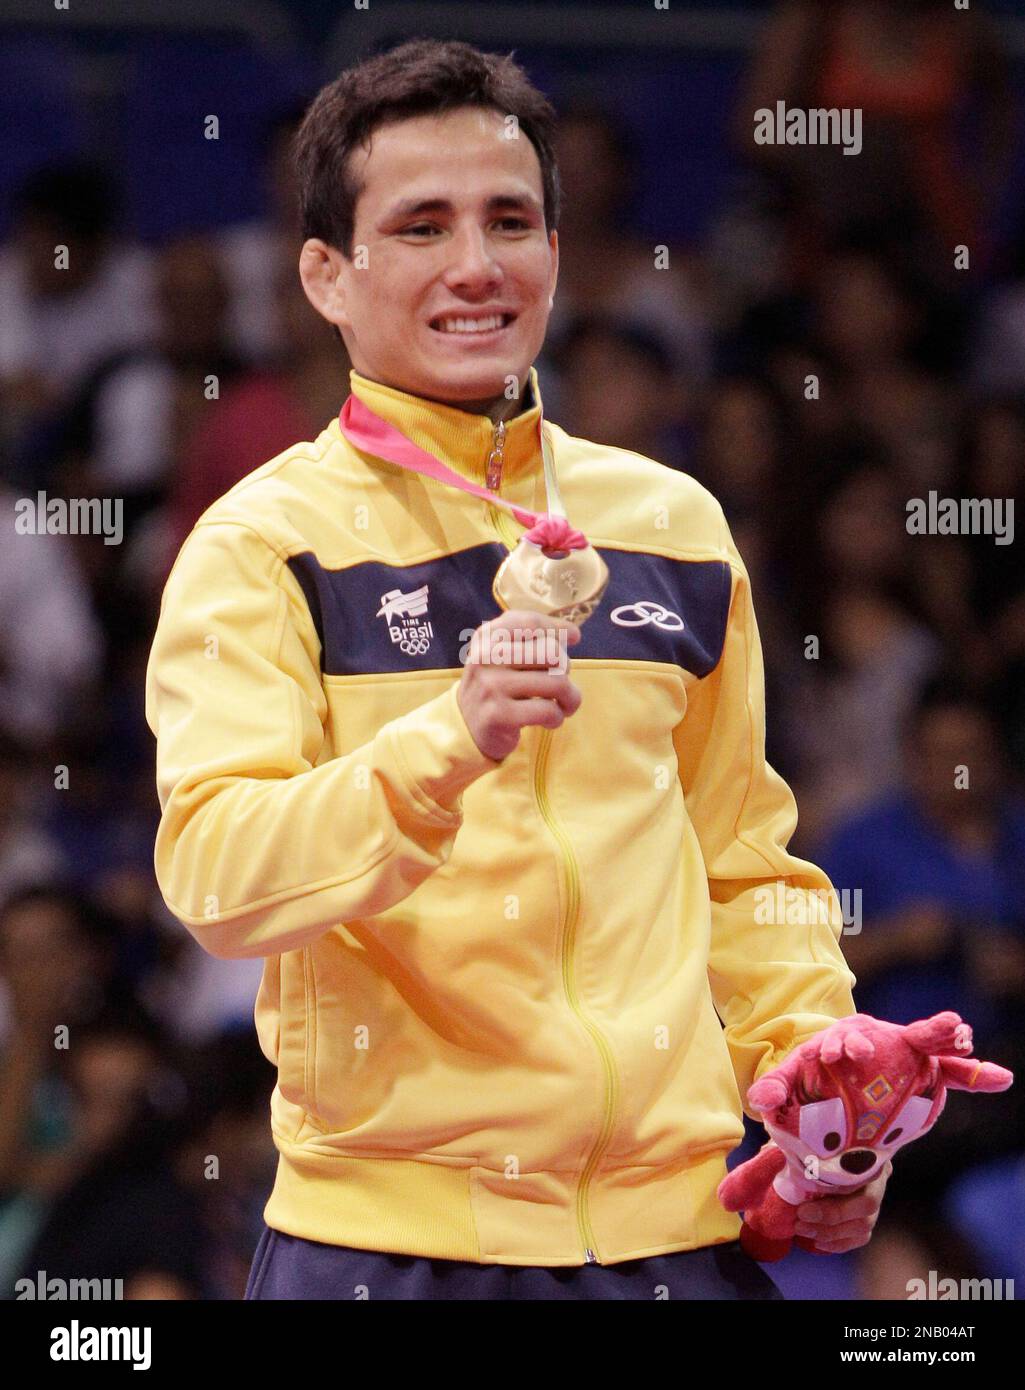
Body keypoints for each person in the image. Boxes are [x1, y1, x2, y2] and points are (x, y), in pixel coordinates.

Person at [145, 39, 876, 1301]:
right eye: (420, 227)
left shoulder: (672, 523)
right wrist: (449, 739)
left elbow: (740, 859)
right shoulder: (261, 543)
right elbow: (218, 875)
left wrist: (822, 1075)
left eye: (510, 220)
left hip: (672, 1237)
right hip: (389, 1244)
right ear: (326, 271)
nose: (477, 266)